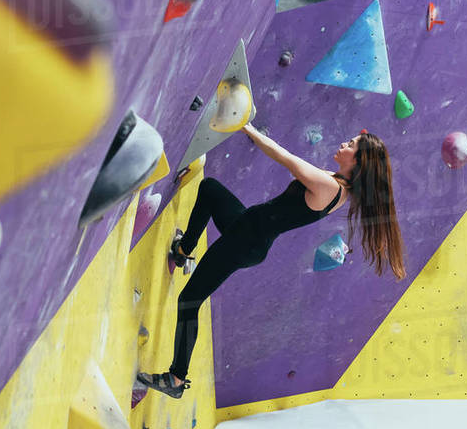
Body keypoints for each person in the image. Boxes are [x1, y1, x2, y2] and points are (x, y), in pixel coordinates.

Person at [136, 125, 405, 399]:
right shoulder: (338, 185)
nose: (344, 144)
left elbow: (282, 156)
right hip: (246, 228)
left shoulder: (328, 186)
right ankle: (183, 250)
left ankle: (176, 378)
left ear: (358, 162)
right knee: (209, 189)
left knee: (189, 299)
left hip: (243, 243)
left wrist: (247, 128)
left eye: (351, 144)